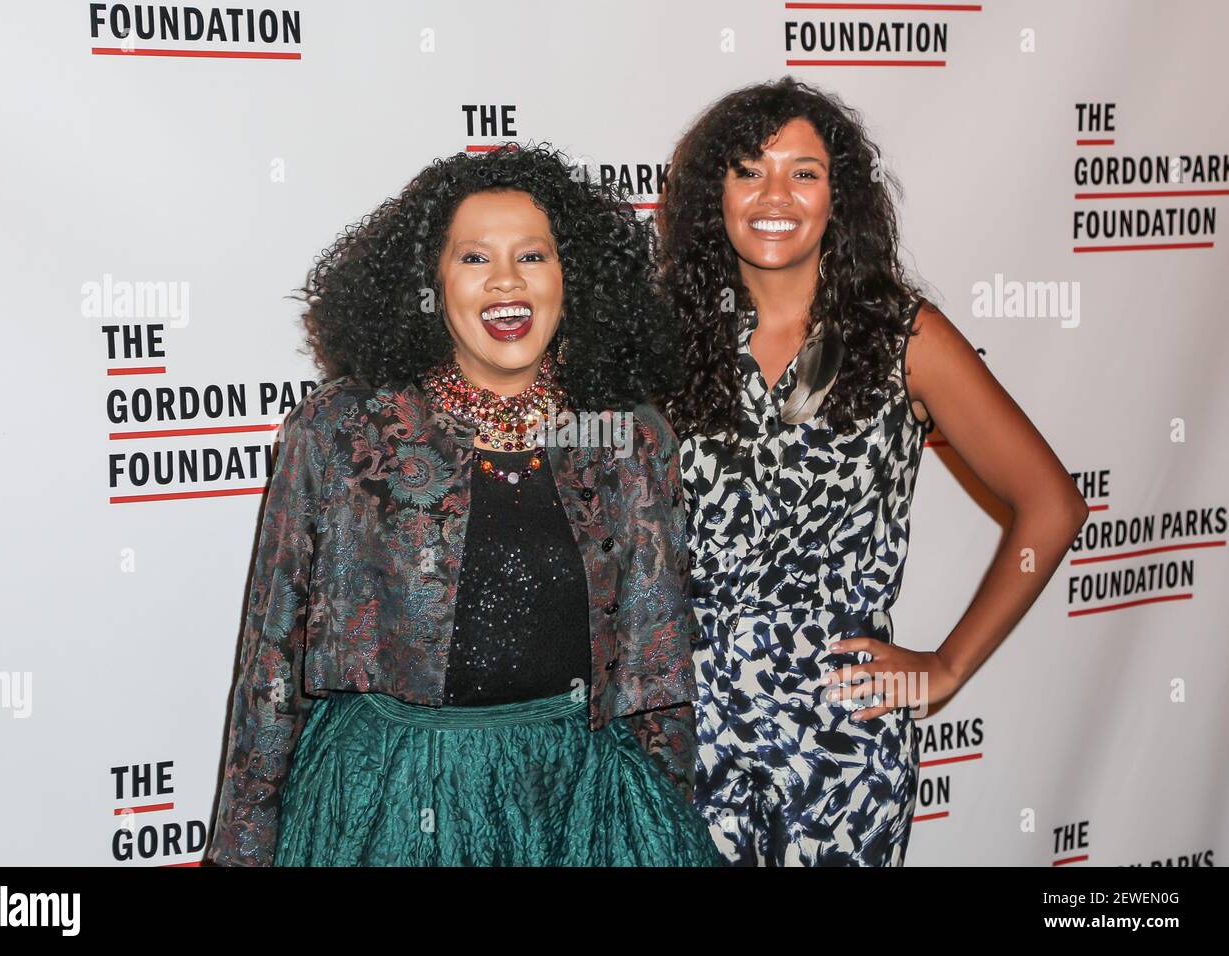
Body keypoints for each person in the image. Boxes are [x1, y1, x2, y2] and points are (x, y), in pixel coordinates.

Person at [205, 143, 721, 867]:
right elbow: (271, 659)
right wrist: (241, 852)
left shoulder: (629, 440)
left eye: (533, 257)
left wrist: (661, 815)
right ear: (432, 282)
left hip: (576, 805)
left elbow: (660, 671)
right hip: (388, 803)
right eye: (475, 258)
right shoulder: (344, 432)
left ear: (573, 280)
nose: (506, 281)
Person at [658, 77, 1089, 866]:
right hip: (689, 733)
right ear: (710, 194)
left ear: (838, 195)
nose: (773, 194)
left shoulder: (902, 339)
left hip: (843, 740)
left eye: (804, 171)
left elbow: (1050, 504)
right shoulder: (668, 344)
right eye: (747, 170)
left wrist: (949, 667)